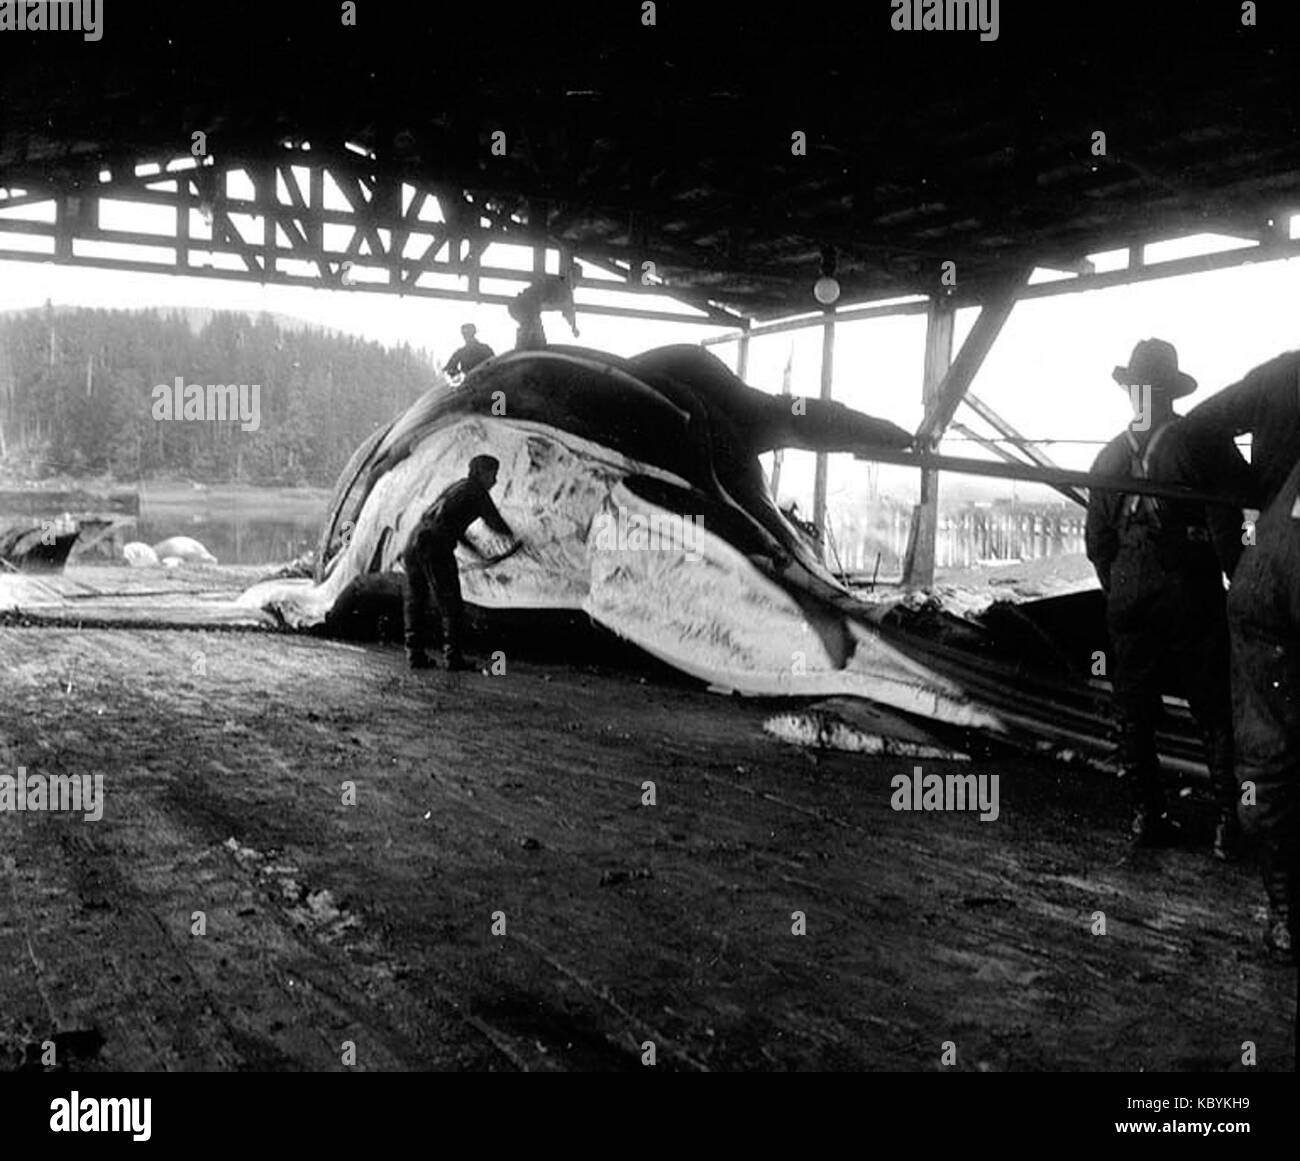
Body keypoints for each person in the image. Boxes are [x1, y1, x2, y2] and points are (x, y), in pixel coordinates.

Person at [1085, 339, 1246, 857]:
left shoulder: (1108, 454)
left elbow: (1096, 545)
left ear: (1133, 391)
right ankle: (1228, 826)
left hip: (1128, 590)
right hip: (1188, 586)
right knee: (1213, 707)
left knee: (1134, 708)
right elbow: (1227, 525)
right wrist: (1237, 583)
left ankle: (1146, 818)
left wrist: (1125, 587)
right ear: (1171, 391)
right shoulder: (1198, 443)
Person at [1184, 351, 1300, 958]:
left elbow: (1196, 429)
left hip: (1269, 570)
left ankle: (1286, 918)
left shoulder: (1283, 373)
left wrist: (1257, 496)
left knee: (1269, 757)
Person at [401, 455, 520, 671]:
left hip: (414, 541)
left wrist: (479, 553)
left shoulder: (457, 488)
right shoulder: (477, 491)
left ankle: (414, 655)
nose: (495, 481)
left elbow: (450, 524)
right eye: (493, 474)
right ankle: (453, 657)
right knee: (451, 604)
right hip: (435, 546)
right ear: (481, 473)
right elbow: (495, 522)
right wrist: (518, 538)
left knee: (415, 601)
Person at [508, 275, 579, 350]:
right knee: (533, 331)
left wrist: (573, 327)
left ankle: (523, 351)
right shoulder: (564, 290)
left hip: (521, 305)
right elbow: (569, 311)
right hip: (524, 306)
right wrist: (574, 328)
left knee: (532, 329)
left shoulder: (558, 286)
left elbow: (569, 311)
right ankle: (524, 351)